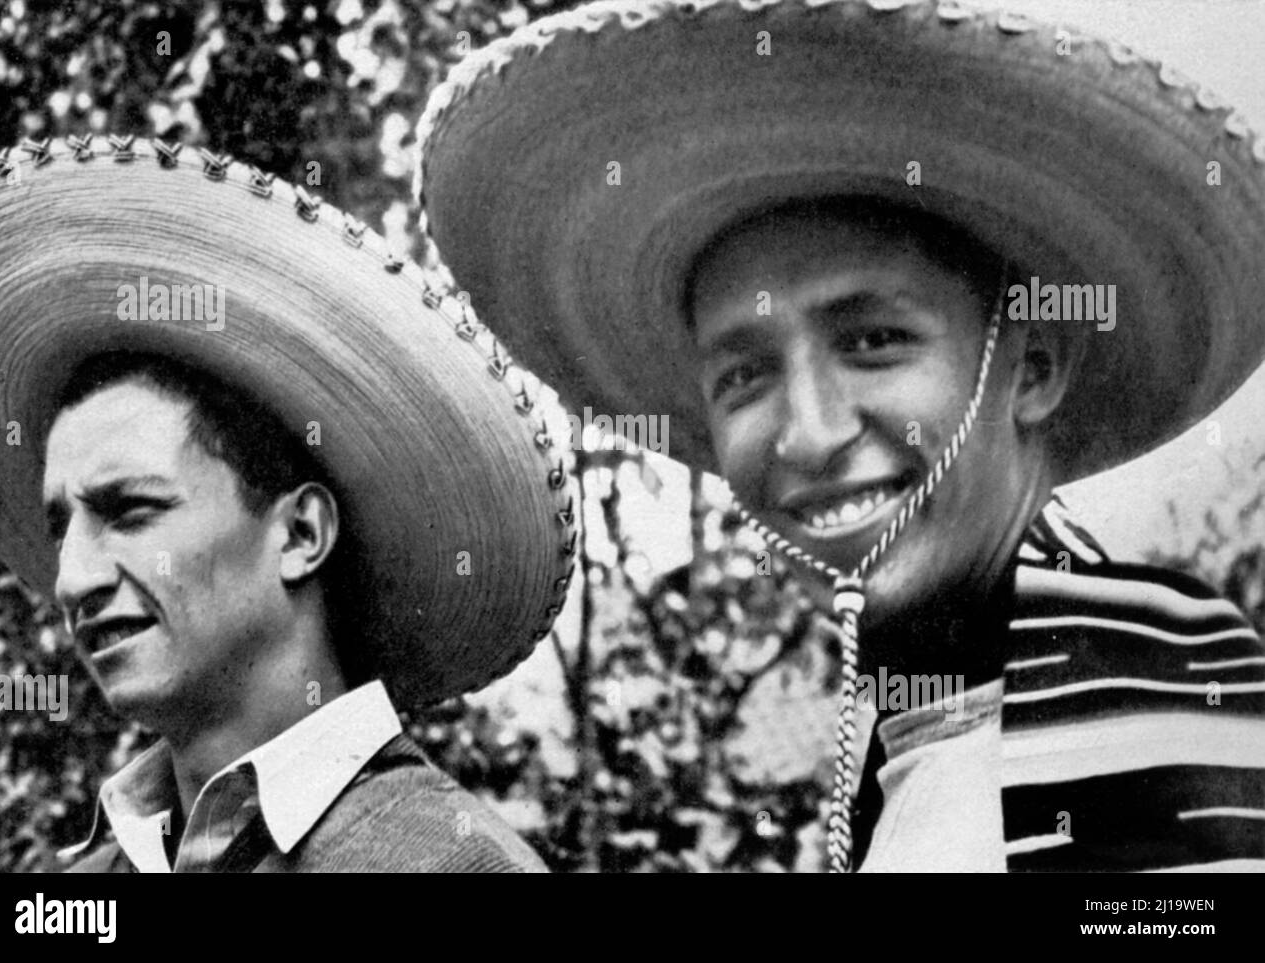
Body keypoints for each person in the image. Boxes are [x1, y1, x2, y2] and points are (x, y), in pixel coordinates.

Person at [416, 0, 1265, 870]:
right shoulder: (913, 728)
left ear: (1034, 365)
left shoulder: (1151, 709)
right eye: (745, 374)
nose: (812, 434)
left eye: (873, 341)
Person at [0, 134, 576, 872]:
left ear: (299, 533)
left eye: (129, 510)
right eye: (62, 526)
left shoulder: (446, 862)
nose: (72, 578)